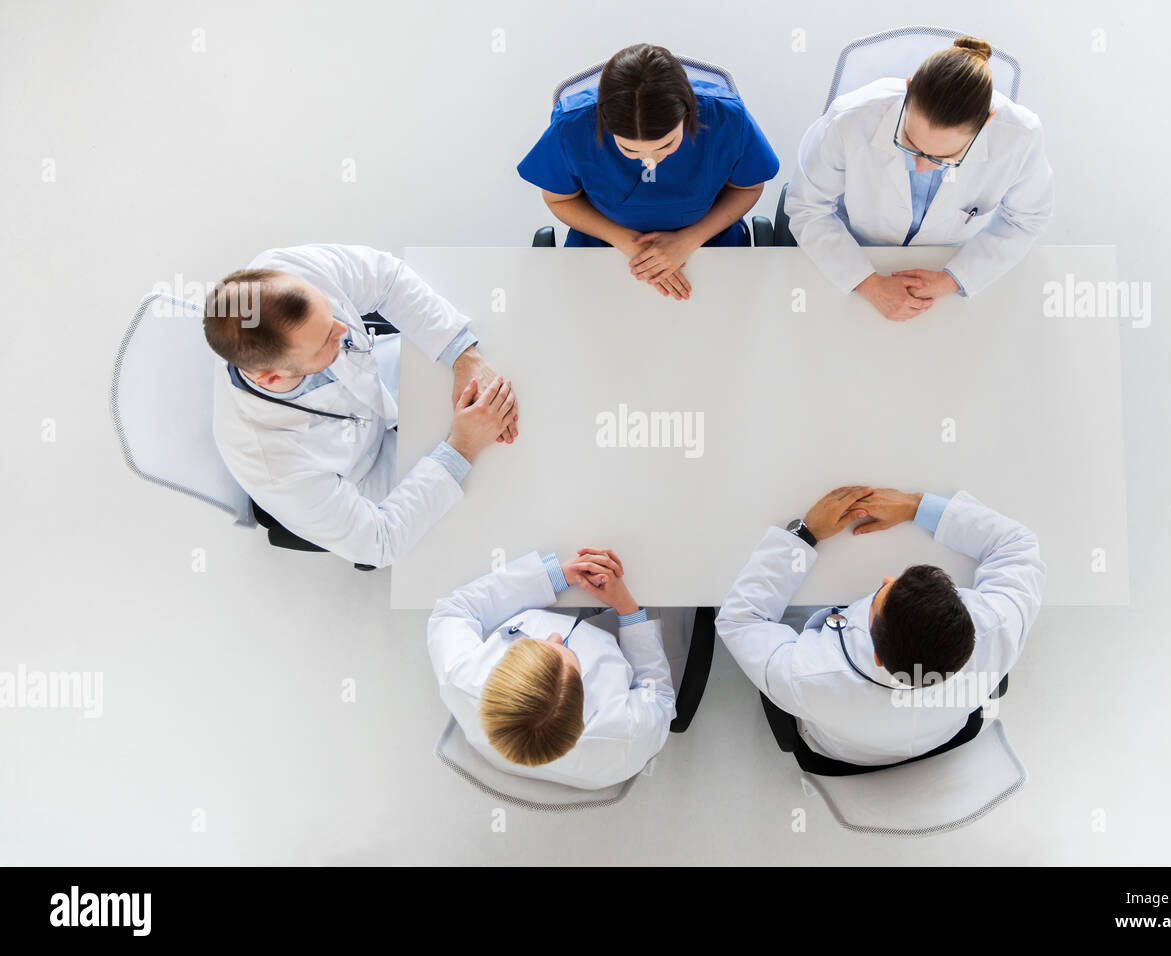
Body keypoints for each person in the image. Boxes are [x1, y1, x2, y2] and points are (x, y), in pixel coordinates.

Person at [204, 243, 519, 569]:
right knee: (500, 495)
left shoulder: (285, 268)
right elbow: (377, 542)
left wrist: (461, 354)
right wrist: (462, 446)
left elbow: (386, 278)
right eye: (327, 338)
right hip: (366, 472)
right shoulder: (272, 464)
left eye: (329, 311)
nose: (344, 327)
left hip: (383, 379)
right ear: (272, 378)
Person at [717, 485, 1045, 770]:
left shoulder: (809, 675)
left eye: (879, 596)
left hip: (845, 754)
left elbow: (741, 619)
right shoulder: (997, 627)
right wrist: (918, 506)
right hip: (945, 732)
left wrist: (806, 533)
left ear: (877, 655)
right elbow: (1016, 545)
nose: (888, 578)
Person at [785, 36, 1053, 320]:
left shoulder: (1020, 137)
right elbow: (808, 207)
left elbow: (1026, 220)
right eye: (909, 143)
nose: (922, 167)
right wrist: (867, 282)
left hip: (948, 266)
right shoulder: (850, 118)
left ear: (985, 124)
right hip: (856, 254)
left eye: (943, 159)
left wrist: (953, 279)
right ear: (908, 90)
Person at [517, 43, 780, 301]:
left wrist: (687, 241)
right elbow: (559, 199)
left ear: (689, 113)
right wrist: (630, 245)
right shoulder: (573, 126)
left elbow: (748, 187)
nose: (650, 161)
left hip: (709, 248)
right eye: (629, 150)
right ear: (601, 121)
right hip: (606, 253)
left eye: (667, 145)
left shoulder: (726, 118)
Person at [427, 547, 680, 790]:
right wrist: (627, 609)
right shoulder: (626, 737)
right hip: (609, 627)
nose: (555, 637)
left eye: (533, 644)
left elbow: (454, 610)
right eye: (569, 656)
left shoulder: (461, 675)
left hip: (550, 600)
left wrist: (555, 576)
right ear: (582, 695)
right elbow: (659, 698)